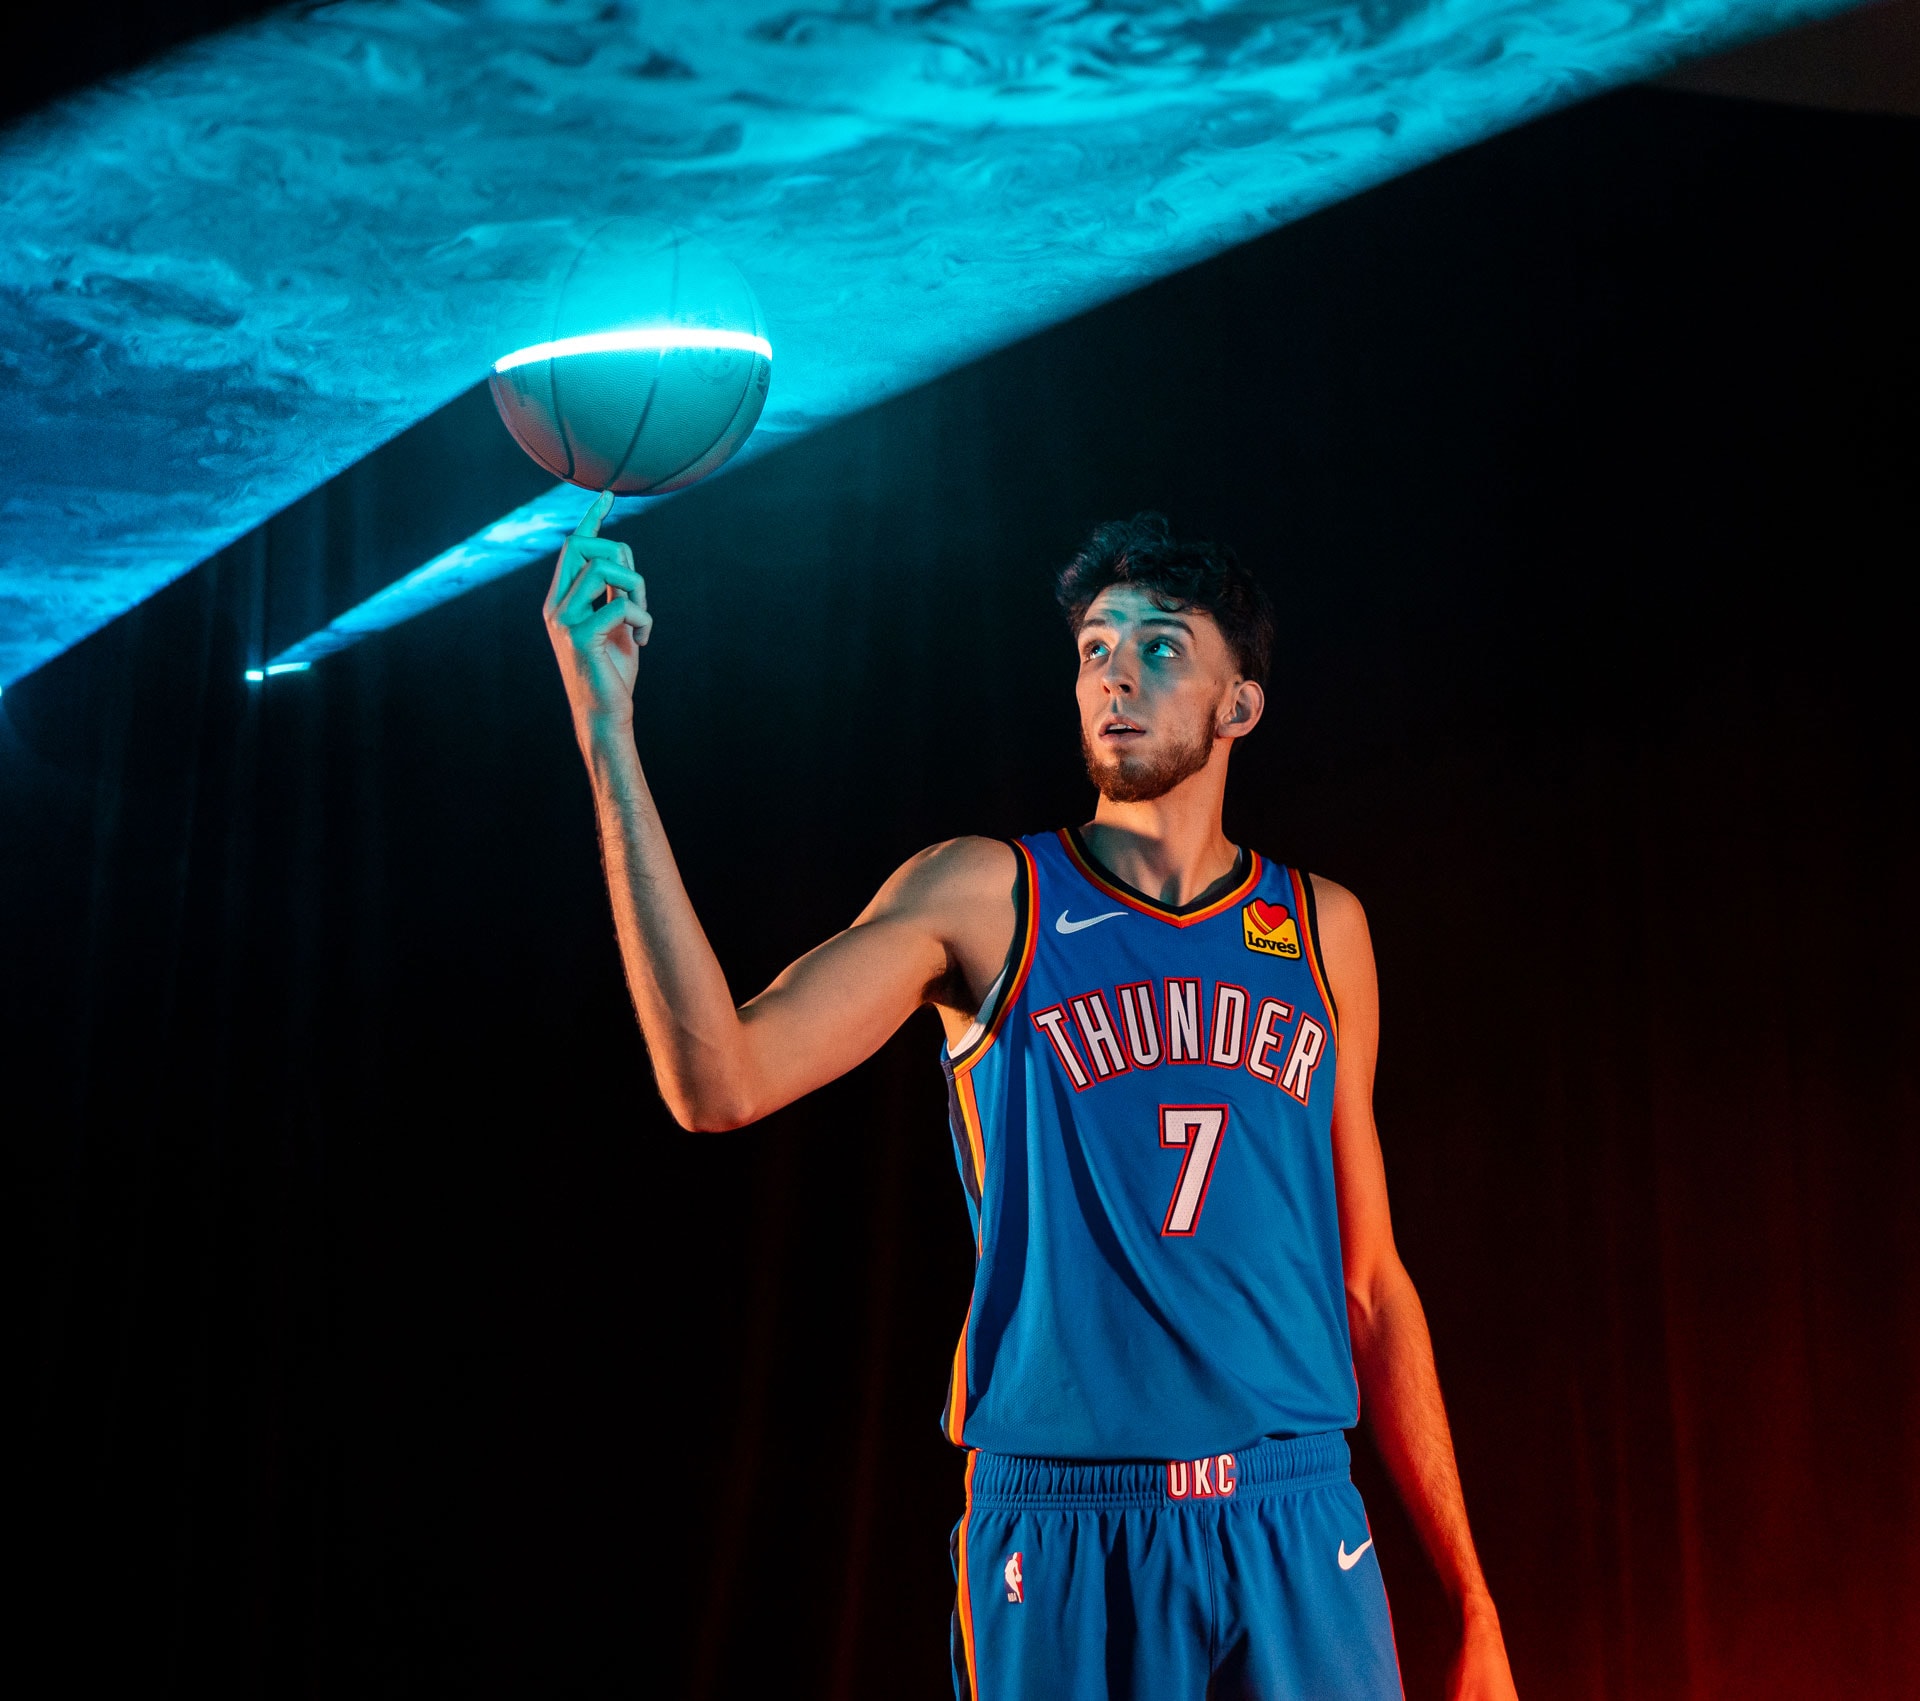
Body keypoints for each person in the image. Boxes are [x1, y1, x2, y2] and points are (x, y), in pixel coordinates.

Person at [543, 494, 1520, 1701]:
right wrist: (609, 734)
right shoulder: (988, 897)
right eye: (1095, 648)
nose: (1116, 675)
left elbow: (1371, 1283)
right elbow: (718, 1082)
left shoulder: (1324, 928)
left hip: (1295, 1512)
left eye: (1160, 646)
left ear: (1240, 705)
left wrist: (1473, 1601)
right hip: (1066, 1523)